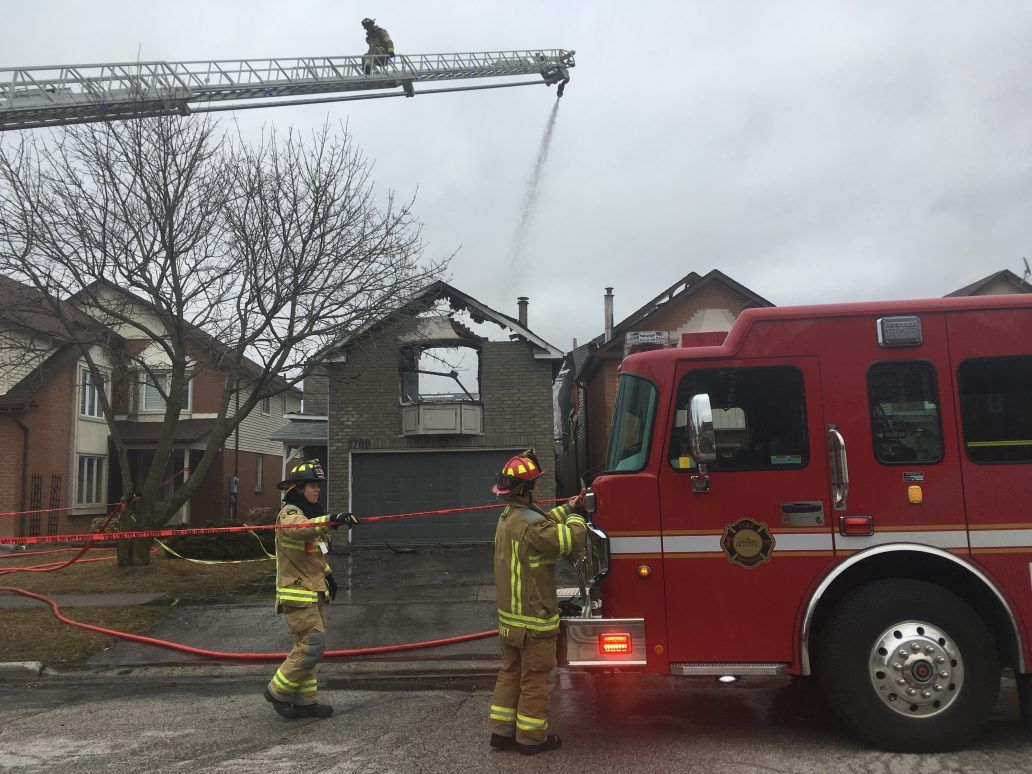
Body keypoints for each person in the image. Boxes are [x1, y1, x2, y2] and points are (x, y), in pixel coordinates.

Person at [488, 449, 587, 755]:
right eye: (535, 484)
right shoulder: (531, 527)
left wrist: (566, 506)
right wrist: (577, 517)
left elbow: (539, 524)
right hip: (534, 621)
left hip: (511, 621)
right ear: (528, 488)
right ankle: (531, 739)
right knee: (534, 677)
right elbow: (569, 539)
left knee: (511, 671)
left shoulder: (508, 518)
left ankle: (501, 733)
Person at [264, 460, 359, 720]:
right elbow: (298, 530)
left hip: (312, 591)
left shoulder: (306, 513)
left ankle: (305, 702)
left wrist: (328, 575)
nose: (317, 490)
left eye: (318, 485)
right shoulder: (290, 514)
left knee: (306, 648)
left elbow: (313, 553)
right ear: (298, 488)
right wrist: (331, 520)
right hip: (297, 593)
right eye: (312, 485)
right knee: (313, 645)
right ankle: (277, 691)